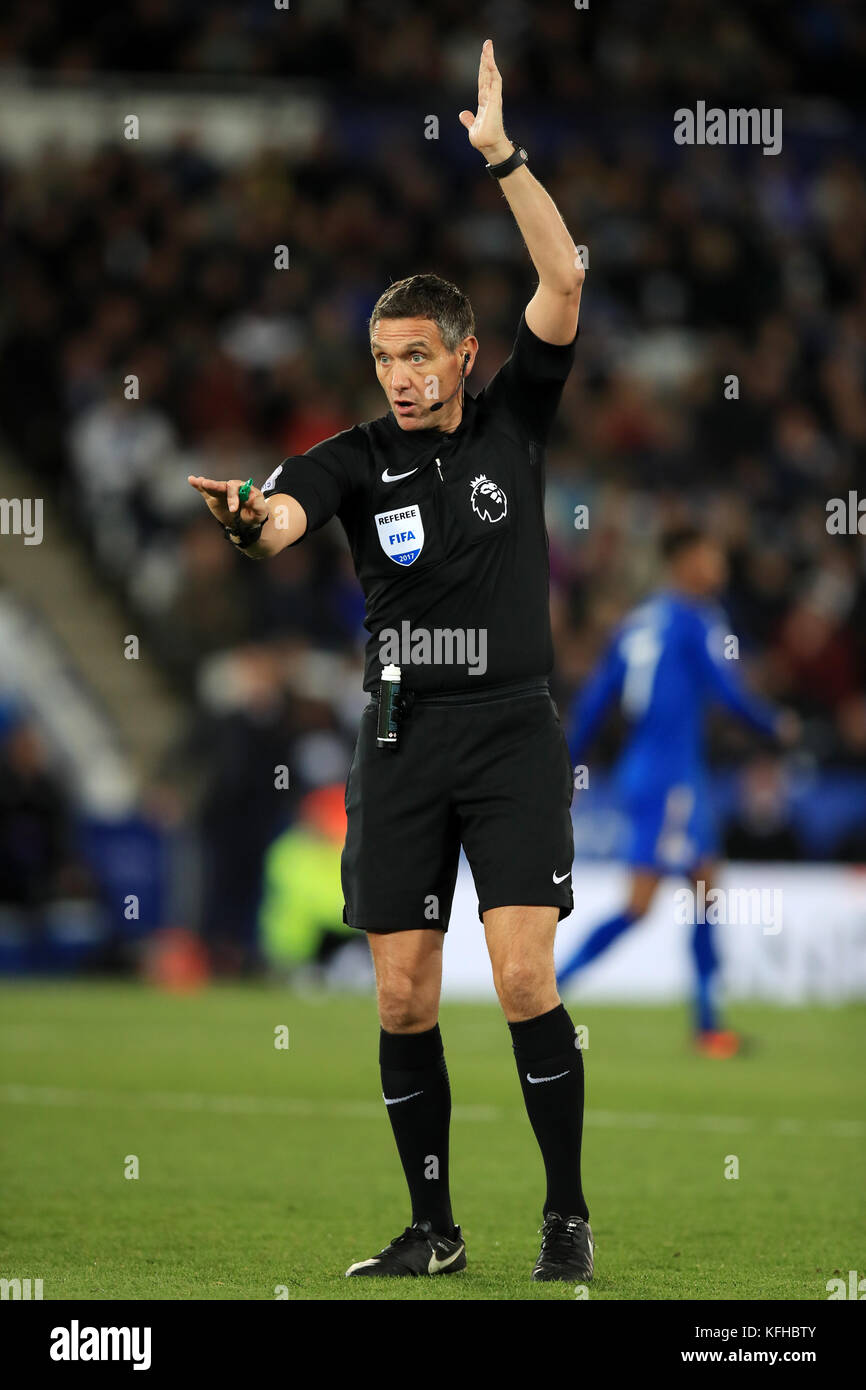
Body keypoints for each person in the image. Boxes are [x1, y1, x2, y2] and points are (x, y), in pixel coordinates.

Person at [189, 40, 592, 1282]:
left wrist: (503, 158)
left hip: (513, 728)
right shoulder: (356, 457)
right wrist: (253, 520)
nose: (402, 378)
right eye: (385, 360)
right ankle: (432, 1231)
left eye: (420, 356)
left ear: (463, 355)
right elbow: (286, 515)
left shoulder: (517, 416)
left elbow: (564, 275)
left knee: (522, 976)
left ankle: (564, 1215)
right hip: (403, 731)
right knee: (403, 999)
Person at [560, 526, 800, 1057]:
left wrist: (568, 764)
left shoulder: (639, 620)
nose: (718, 567)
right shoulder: (698, 617)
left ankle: (708, 1022)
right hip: (672, 778)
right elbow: (727, 692)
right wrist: (775, 725)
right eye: (710, 555)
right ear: (684, 561)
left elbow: (598, 699)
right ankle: (549, 993)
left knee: (704, 890)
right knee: (648, 903)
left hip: (646, 771)